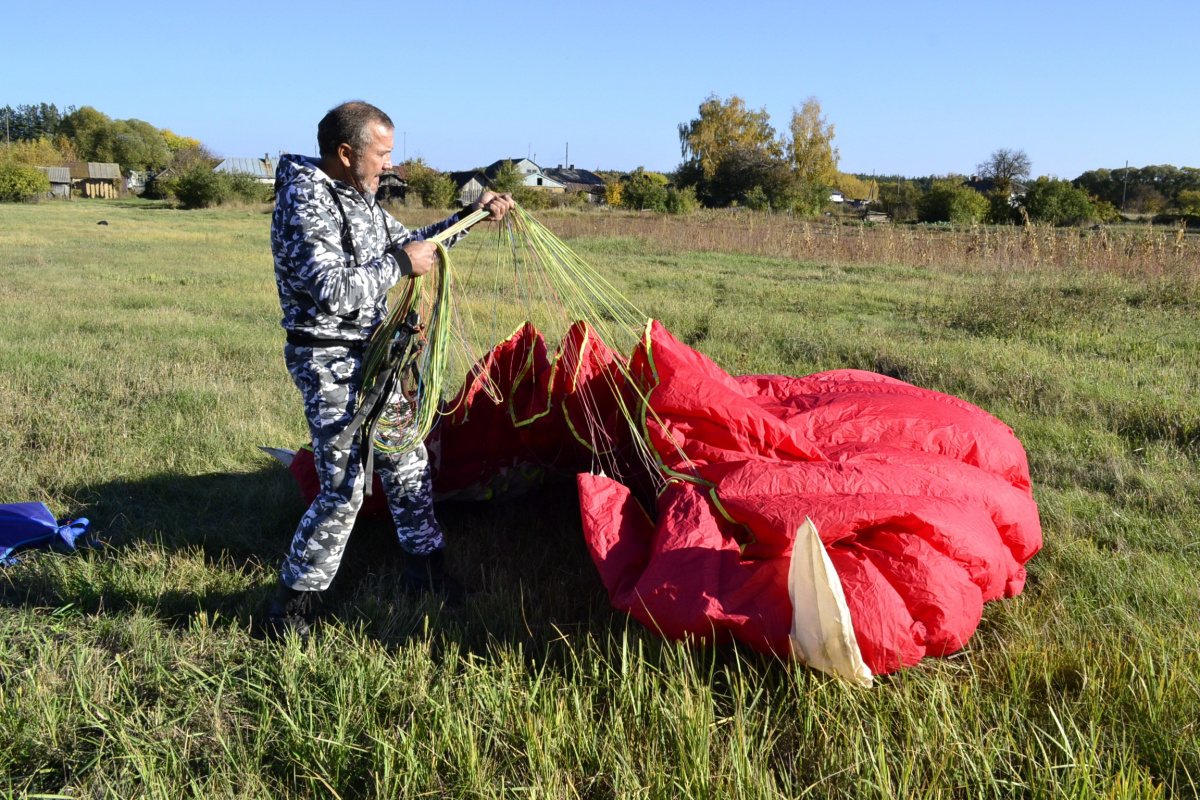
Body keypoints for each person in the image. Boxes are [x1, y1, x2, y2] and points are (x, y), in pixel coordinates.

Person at [266, 100, 513, 638]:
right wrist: (401, 266)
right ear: (346, 151)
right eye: (382, 155)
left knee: (407, 465)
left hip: (376, 355)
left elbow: (413, 240)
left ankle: (423, 575)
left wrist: (474, 214)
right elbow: (330, 290)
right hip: (328, 358)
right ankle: (291, 611)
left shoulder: (361, 198)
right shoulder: (305, 199)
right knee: (344, 485)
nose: (389, 166)